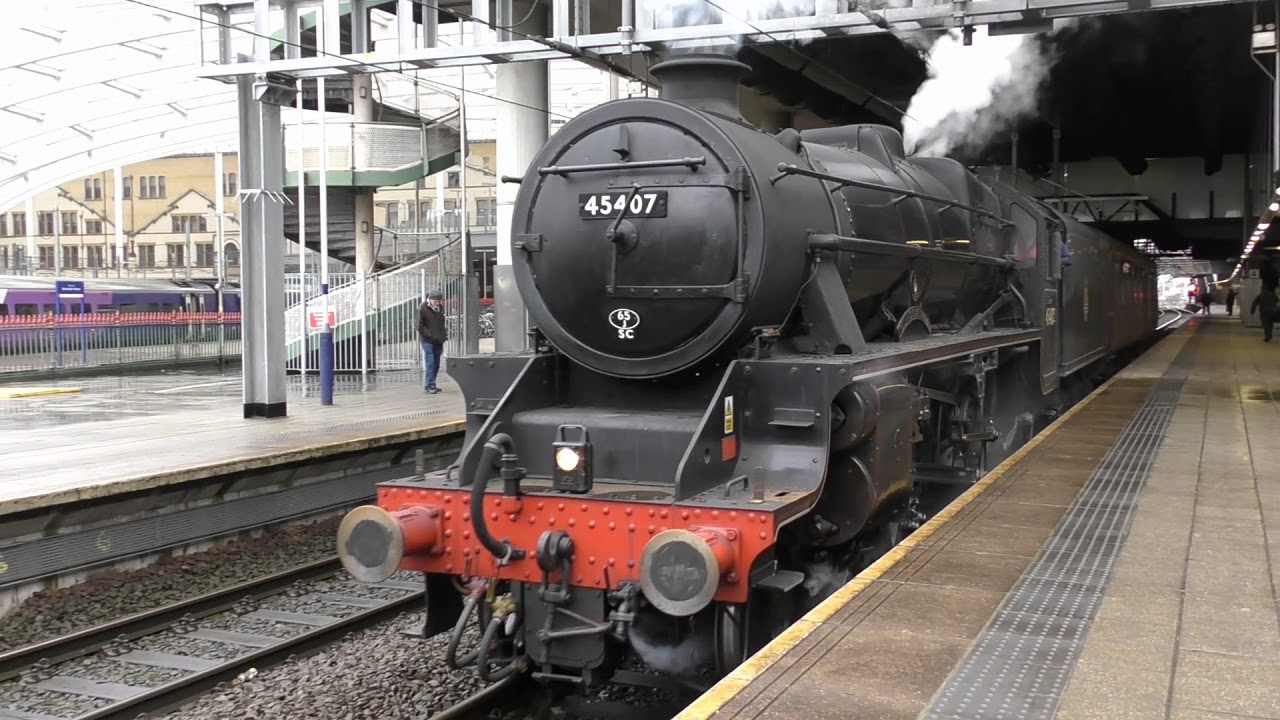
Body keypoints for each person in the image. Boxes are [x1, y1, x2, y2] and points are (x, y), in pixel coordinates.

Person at [417, 291, 447, 392]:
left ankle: (430, 383)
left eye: (439, 301)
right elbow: (418, 325)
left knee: (436, 364)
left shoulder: (440, 309)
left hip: (438, 340)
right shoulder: (422, 308)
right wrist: (428, 334)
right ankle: (430, 385)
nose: (437, 303)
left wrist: (443, 336)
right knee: (430, 363)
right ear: (430, 299)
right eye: (435, 301)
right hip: (427, 341)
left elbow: (441, 323)